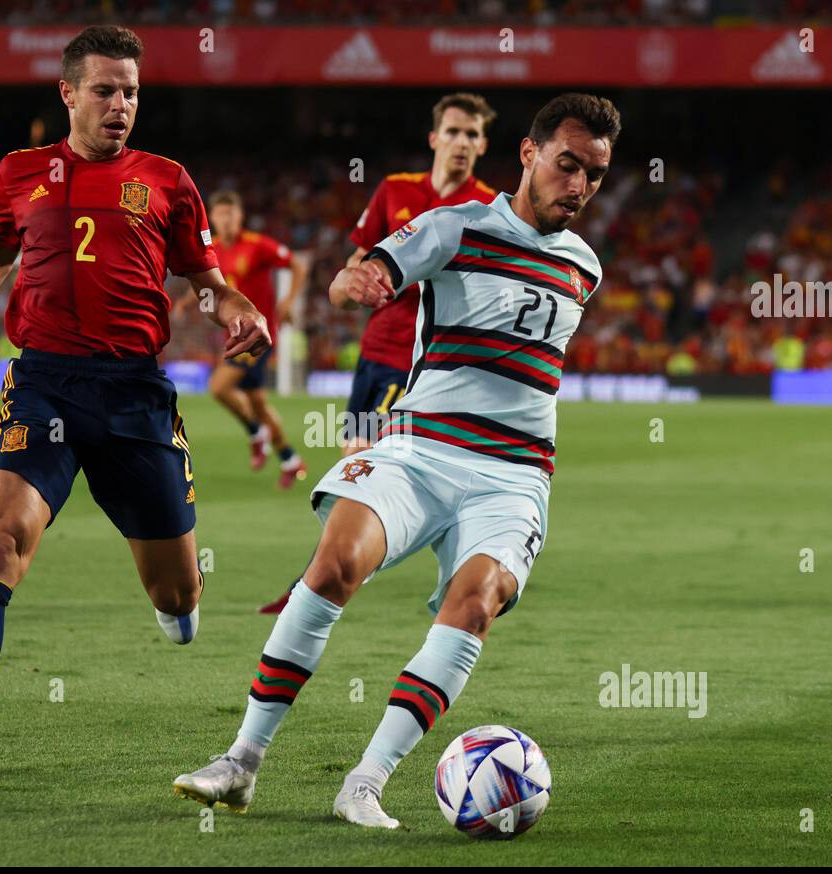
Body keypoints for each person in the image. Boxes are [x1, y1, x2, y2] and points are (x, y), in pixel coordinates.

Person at [174, 92, 618, 828]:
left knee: (475, 602)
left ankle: (365, 782)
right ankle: (241, 761)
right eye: (567, 165)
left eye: (594, 175)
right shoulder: (455, 226)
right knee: (334, 563)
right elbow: (362, 271)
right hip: (419, 448)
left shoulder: (585, 266)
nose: (578, 185)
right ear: (529, 154)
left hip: (513, 474)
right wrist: (358, 282)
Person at [0, 25, 270, 773]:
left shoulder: (167, 180)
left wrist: (241, 311)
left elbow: (208, 285)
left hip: (135, 394)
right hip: (44, 386)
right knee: (2, 537)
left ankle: (178, 602)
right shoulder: (20, 172)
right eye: (104, 90)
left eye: (131, 92)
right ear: (67, 94)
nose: (120, 105)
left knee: (177, 590)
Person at [257, 91, 497, 613]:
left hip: (419, 363)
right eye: (454, 131)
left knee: (361, 466)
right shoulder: (395, 191)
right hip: (374, 354)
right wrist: (352, 284)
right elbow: (356, 265)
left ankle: (317, 584)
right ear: (434, 138)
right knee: (356, 464)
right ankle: (338, 572)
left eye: (472, 134)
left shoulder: (486, 210)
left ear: (482, 145)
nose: (462, 142)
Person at [203, 190, 309, 488]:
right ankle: (290, 459)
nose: (226, 219)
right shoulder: (213, 249)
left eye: (231, 213)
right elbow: (209, 282)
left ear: (240, 216)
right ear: (212, 217)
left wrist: (288, 301)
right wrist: (188, 300)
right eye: (221, 214)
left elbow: (297, 265)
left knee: (219, 387)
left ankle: (255, 431)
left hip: (257, 336)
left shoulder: (258, 245)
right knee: (258, 403)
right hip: (234, 334)